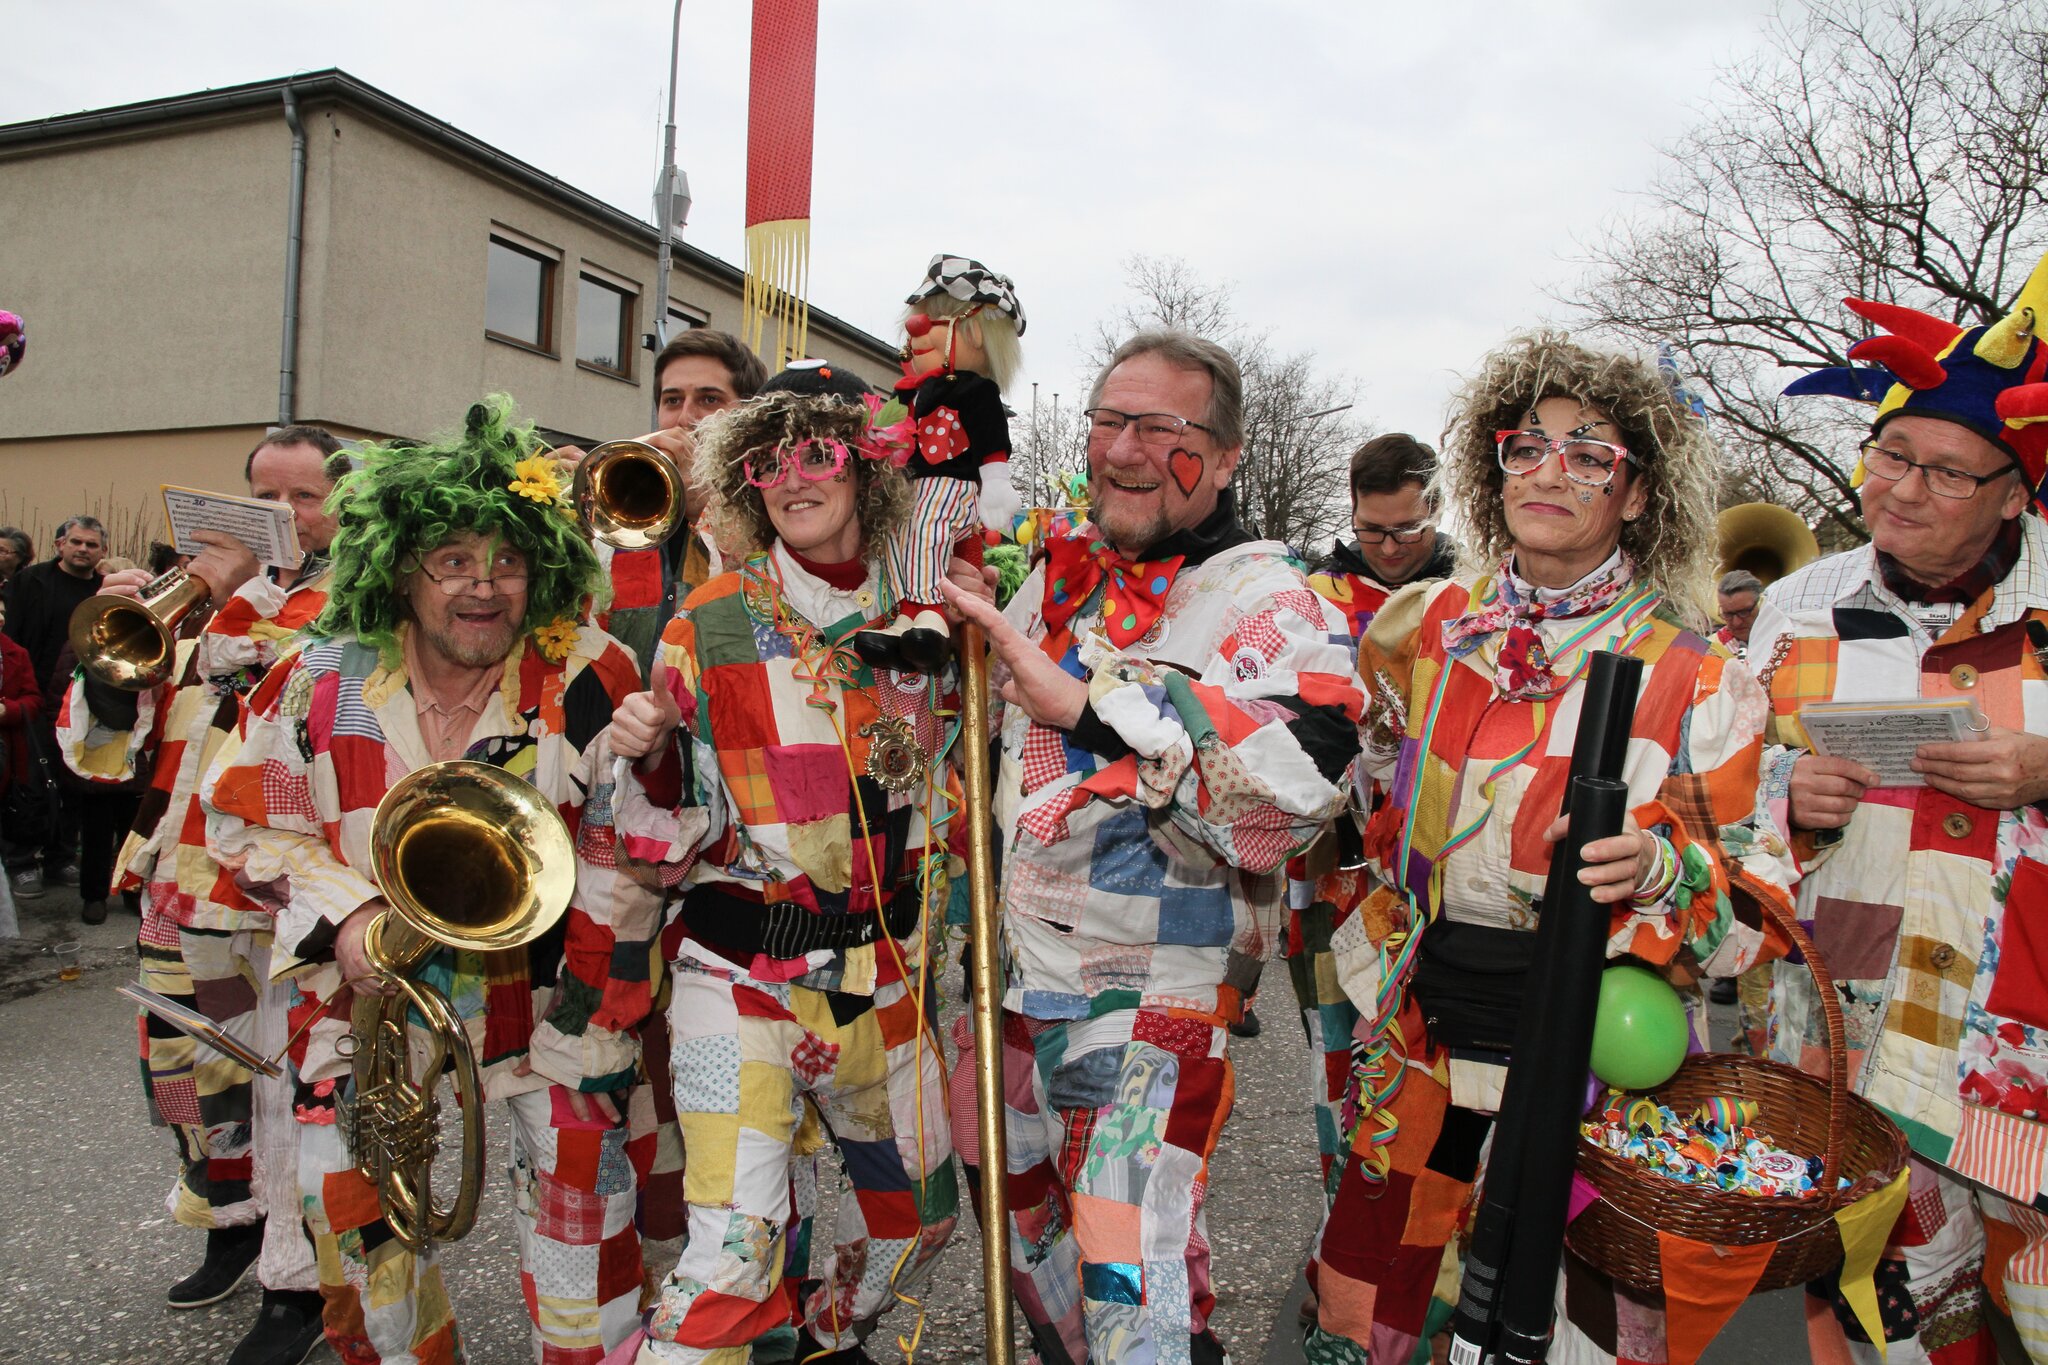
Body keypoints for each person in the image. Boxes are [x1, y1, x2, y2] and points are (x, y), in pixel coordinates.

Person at [1311, 331, 1797, 1364]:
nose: (1548, 471)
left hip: (1590, 1071)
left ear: (1634, 495)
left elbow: (1756, 912)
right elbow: (1373, 805)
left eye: (1589, 455)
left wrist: (1663, 870)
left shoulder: (1697, 680)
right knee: (1373, 1318)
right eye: (1526, 446)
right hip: (1420, 1051)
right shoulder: (1423, 633)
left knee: (1566, 1339)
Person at [202, 397, 662, 1364]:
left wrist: (660, 774)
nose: (483, 587)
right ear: (401, 569)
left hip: (555, 1005)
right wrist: (351, 915)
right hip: (364, 1007)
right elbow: (240, 820)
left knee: (594, 1268)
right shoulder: (316, 675)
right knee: (359, 1252)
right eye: (453, 559)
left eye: (507, 560)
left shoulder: (591, 670)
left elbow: (639, 853)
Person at [940, 330, 1368, 1364]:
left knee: (1130, 1278)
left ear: (1222, 458)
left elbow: (1301, 790)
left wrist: (1091, 711)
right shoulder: (1054, 573)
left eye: (1157, 428)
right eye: (1105, 421)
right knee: (1028, 1245)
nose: (1120, 450)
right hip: (1010, 987)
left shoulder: (1272, 600)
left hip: (1148, 1000)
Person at [605, 362, 960, 1364]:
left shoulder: (931, 618)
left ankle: (825, 1329)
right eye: (764, 460)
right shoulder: (709, 621)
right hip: (739, 981)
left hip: (882, 980)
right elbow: (650, 841)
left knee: (918, 1221)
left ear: (866, 469)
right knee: (731, 1257)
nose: (791, 478)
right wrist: (656, 751)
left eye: (816, 453)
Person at [1758, 249, 2048, 1363]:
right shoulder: (1795, 604)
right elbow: (1713, 788)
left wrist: (2041, 769)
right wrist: (1789, 797)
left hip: (2016, 1029)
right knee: (1881, 1306)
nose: (1897, 491)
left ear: (2015, 492)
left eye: (1942, 472)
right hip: (1847, 1021)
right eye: (1887, 455)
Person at [55, 426, 342, 1365]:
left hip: (278, 899)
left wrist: (233, 599)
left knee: (291, 1090)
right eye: (264, 496)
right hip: (179, 883)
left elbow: (315, 707)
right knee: (190, 1077)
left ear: (335, 506)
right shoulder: (191, 602)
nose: (281, 519)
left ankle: (302, 1285)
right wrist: (113, 651)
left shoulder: (352, 600)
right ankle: (232, 1226)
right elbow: (104, 756)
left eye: (302, 500)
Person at [1284, 431, 1460, 1315]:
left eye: (1407, 528)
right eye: (1373, 530)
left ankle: (1433, 1266)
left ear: (1435, 507)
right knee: (1339, 1076)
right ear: (1350, 513)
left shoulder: (1473, 598)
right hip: (1333, 880)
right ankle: (1340, 1255)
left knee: (1439, 1080)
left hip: (1442, 887)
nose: (1391, 547)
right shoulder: (1313, 598)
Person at [856, 253, 1025, 672]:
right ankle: (907, 615)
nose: (918, 333)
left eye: (935, 323)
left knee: (923, 529)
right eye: (918, 324)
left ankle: (929, 611)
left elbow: (991, 440)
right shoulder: (911, 391)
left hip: (951, 485)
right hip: (911, 485)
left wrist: (997, 483)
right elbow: (887, 432)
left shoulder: (974, 390)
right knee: (896, 535)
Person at [579, 328, 769, 682]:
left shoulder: (773, 510)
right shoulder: (620, 508)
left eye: (709, 400)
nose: (685, 418)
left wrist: (704, 507)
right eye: (672, 400)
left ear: (748, 416)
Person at [3, 514, 108, 898]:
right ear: (59, 544)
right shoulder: (29, 583)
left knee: (75, 784)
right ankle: (21, 862)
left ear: (103, 552)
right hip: (32, 699)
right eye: (76, 542)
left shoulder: (105, 589)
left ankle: (60, 856)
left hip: (84, 703)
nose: (83, 549)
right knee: (28, 783)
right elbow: (12, 640)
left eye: (91, 544)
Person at [1714, 567, 1763, 658]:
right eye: (1728, 614)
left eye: (1744, 612)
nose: (1737, 623)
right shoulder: (1712, 649)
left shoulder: (1787, 636)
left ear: (1760, 603)